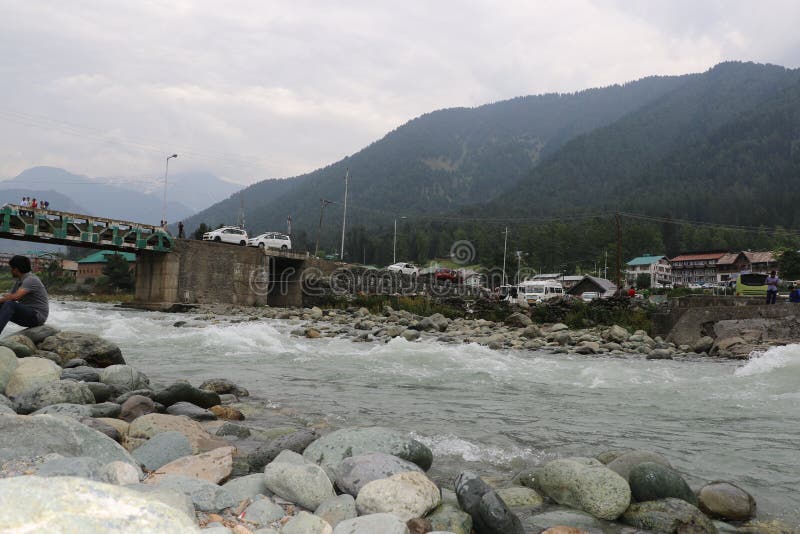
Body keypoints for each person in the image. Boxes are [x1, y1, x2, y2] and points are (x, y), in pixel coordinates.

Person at [0, 255, 49, 335]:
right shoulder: (19, 281)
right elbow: (8, 296)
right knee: (4, 304)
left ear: (16, 269)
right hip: (27, 314)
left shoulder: (30, 279)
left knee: (9, 304)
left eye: (11, 268)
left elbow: (15, 297)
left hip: (37, 317)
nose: (10, 271)